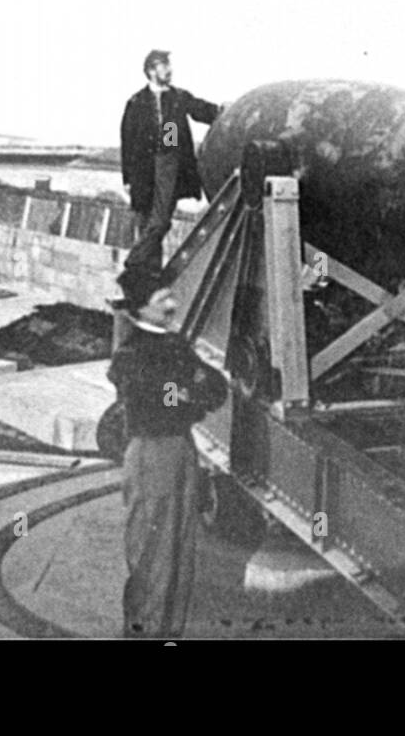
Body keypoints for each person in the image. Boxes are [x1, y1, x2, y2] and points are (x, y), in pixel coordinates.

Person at [107, 266, 230, 639]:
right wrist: (188, 391)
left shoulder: (171, 345)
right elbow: (167, 399)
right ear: (142, 308)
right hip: (153, 454)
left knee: (179, 556)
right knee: (153, 559)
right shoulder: (134, 352)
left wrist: (184, 391)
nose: (174, 304)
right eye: (163, 300)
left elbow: (216, 388)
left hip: (179, 449)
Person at [120, 49, 221, 275]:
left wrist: (223, 110)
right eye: (163, 65)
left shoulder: (178, 97)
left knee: (161, 221)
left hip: (168, 161)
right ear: (151, 71)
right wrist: (127, 177)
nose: (169, 69)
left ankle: (133, 264)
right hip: (143, 169)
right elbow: (127, 142)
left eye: (168, 65)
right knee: (146, 222)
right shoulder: (136, 102)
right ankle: (149, 276)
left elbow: (202, 110)